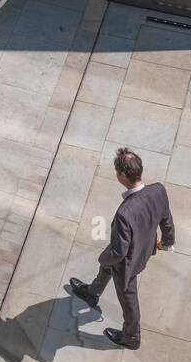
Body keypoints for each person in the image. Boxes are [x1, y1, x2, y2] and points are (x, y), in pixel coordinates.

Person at [70, 147, 175, 349]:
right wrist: (168, 242)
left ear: (123, 175)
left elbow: (118, 253)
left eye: (117, 172)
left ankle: (131, 336)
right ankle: (92, 293)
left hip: (128, 262)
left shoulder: (124, 213)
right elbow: (167, 220)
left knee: (128, 298)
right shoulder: (158, 190)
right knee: (109, 264)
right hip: (144, 247)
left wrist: (103, 258)